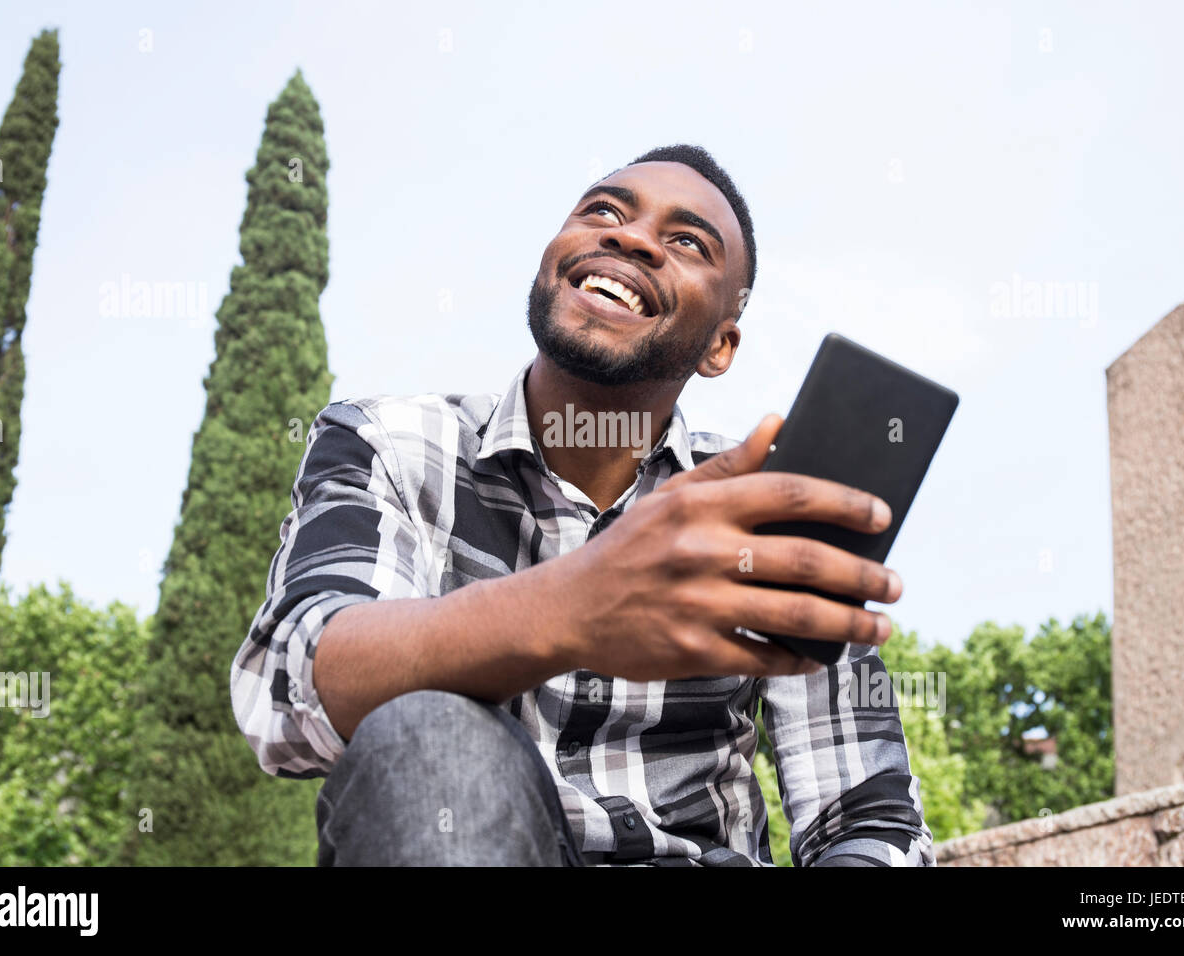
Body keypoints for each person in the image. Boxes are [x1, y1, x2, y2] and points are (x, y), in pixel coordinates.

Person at [230, 143, 936, 867]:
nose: (629, 238)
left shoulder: (767, 510)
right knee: (430, 732)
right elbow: (287, 694)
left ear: (720, 346)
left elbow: (867, 818)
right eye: (603, 211)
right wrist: (571, 606)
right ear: (551, 259)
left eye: (686, 241)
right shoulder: (392, 442)